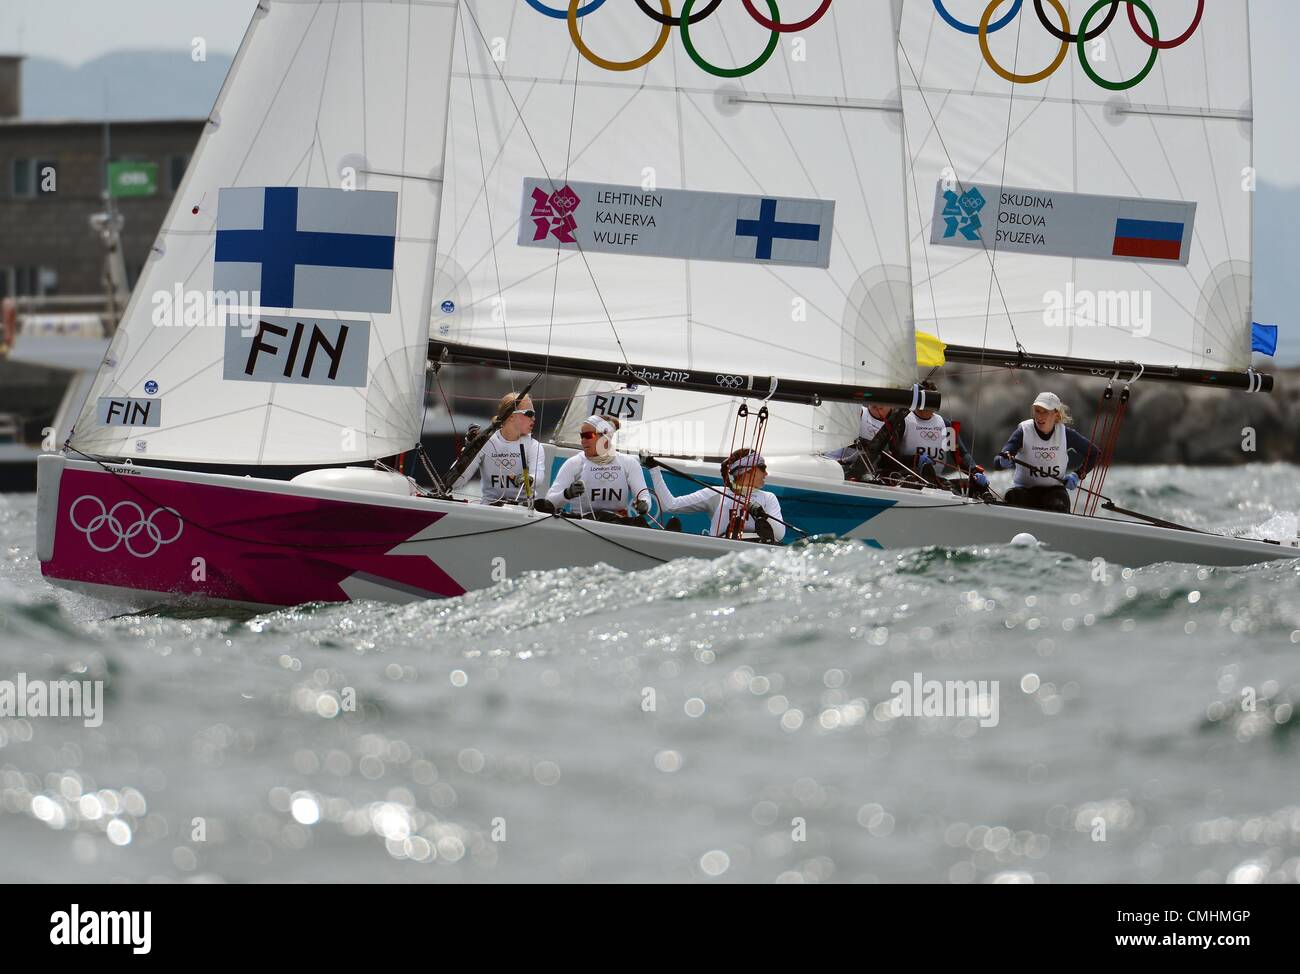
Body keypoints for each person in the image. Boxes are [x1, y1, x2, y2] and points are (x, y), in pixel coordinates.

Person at [644, 448, 785, 543]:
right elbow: (669, 505)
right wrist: (653, 469)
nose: (766, 474)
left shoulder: (768, 498)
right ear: (747, 470)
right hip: (722, 553)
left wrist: (761, 514)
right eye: (763, 468)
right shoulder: (716, 494)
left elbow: (778, 535)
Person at [992, 391, 1101, 513]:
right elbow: (997, 461)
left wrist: (1078, 474)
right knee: (1013, 497)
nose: (1040, 416)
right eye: (1037, 411)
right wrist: (1003, 461)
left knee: (1058, 503)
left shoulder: (1065, 434)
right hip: (1024, 490)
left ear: (1056, 414)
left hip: (1054, 491)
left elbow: (1094, 454)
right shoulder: (1024, 431)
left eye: (1045, 412)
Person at [546, 415, 651, 521]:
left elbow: (643, 496)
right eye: (582, 436)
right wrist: (567, 493)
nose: (583, 440)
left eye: (588, 435)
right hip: (583, 525)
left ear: (605, 437)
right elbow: (550, 501)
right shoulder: (574, 463)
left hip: (618, 524)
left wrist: (644, 505)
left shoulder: (628, 463)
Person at [452, 392, 547, 505]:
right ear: (511, 416)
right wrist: (468, 452)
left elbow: (538, 476)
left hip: (522, 507)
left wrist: (528, 479)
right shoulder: (486, 443)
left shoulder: (534, 446)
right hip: (490, 508)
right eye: (529, 413)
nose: (534, 418)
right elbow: (456, 483)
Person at [899, 382, 990, 496]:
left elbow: (960, 455)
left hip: (937, 482)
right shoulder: (903, 421)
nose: (928, 405)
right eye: (926, 400)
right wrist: (916, 459)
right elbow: (890, 456)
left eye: (932, 400)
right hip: (908, 479)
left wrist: (974, 470)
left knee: (978, 487)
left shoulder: (945, 425)